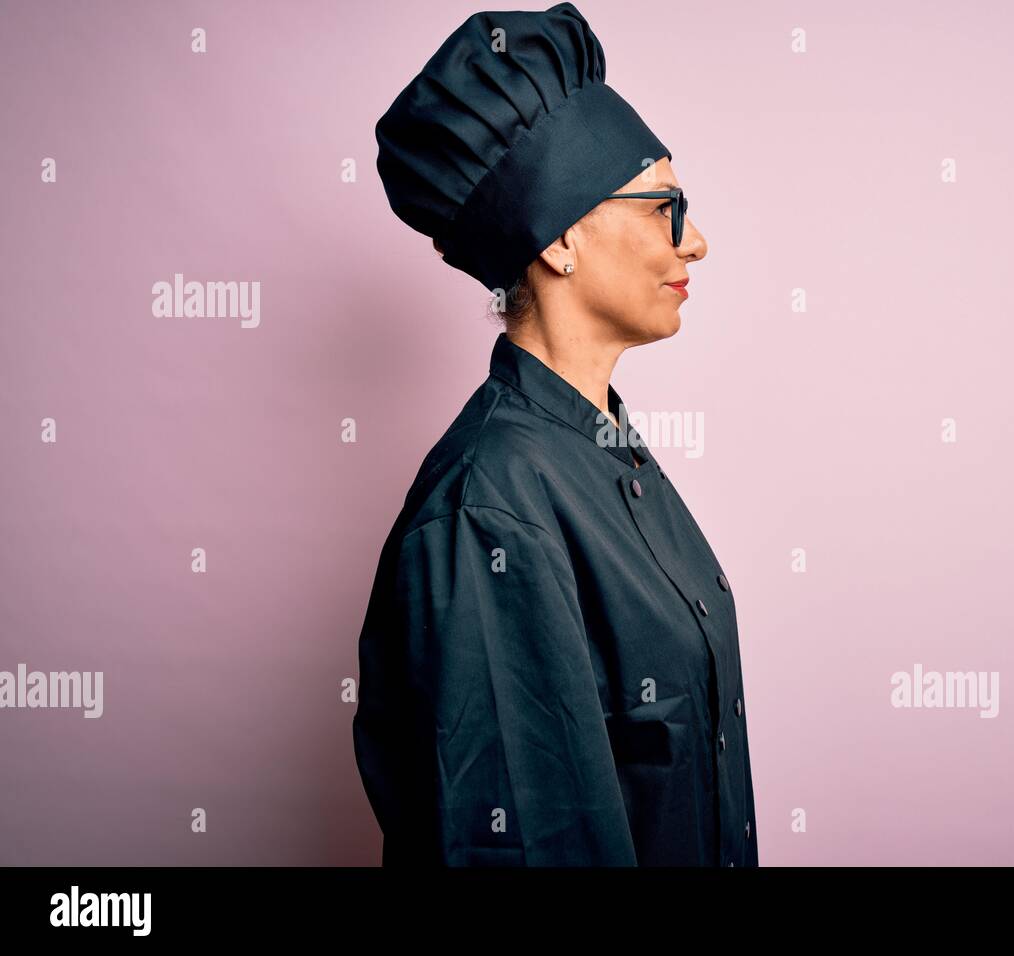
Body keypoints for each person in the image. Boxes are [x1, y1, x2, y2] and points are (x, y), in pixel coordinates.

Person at [353, 1, 757, 866]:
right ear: (563, 238)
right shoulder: (490, 509)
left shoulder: (608, 452)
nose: (698, 244)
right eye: (665, 209)